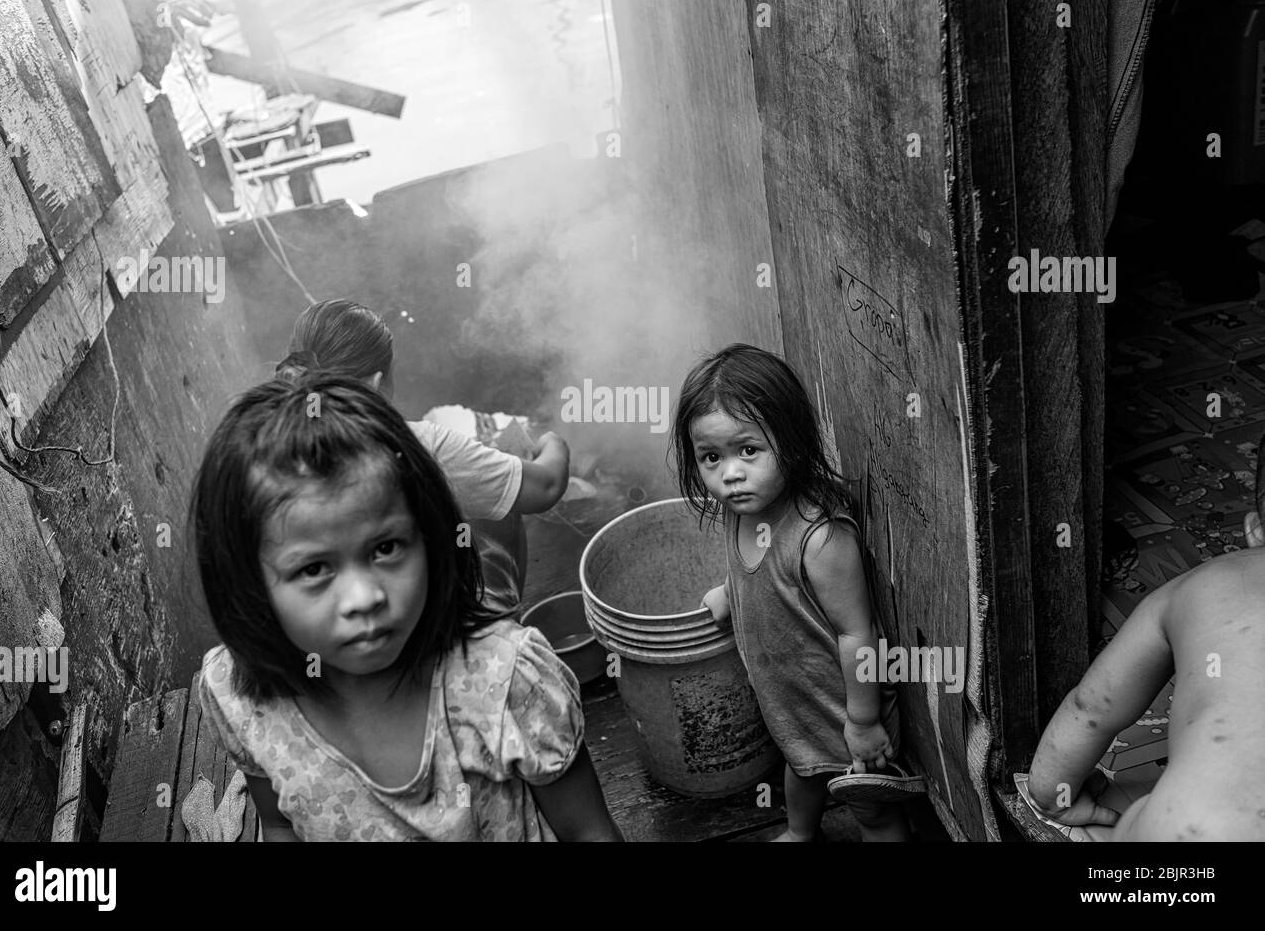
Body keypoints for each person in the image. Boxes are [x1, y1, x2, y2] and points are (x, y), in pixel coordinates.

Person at [189, 374, 622, 841]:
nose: (365, 597)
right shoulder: (242, 701)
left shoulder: (504, 680)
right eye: (314, 569)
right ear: (248, 584)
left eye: (387, 547)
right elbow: (277, 823)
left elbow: (587, 832)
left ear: (431, 538)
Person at [673, 344, 914, 842]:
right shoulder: (740, 508)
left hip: (843, 707)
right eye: (711, 457)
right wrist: (729, 592)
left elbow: (857, 633)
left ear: (792, 441)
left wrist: (863, 721)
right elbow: (757, 577)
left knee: (874, 811)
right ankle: (802, 833)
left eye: (748, 450)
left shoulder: (819, 537)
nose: (730, 473)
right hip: (793, 705)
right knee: (802, 769)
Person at [1026, 441, 1265, 840]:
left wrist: (1054, 795)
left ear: (1254, 530)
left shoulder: (1201, 586)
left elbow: (1092, 707)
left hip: (1195, 828)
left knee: (1144, 816)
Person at [277, 299, 571, 615]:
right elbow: (546, 487)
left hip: (315, 616)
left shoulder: (266, 439)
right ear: (376, 384)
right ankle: (497, 625)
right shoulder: (417, 444)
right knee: (498, 511)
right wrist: (553, 443)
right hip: (405, 620)